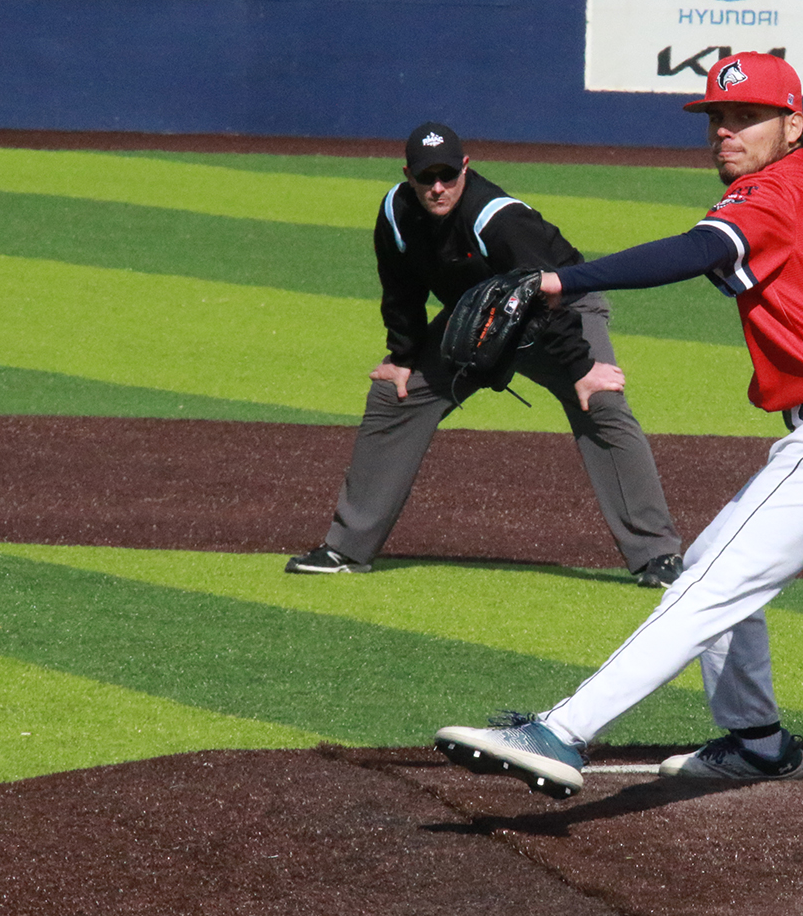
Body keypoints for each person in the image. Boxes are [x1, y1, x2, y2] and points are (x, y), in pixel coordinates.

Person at [433, 53, 803, 798]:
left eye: (747, 118)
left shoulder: (774, 190)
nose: (726, 133)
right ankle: (758, 743)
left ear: (793, 124)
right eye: (718, 118)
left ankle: (560, 732)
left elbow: (700, 250)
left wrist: (564, 279)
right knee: (711, 573)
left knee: (707, 593)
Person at [285, 122, 684, 586]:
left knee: (601, 402)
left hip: (559, 311)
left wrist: (581, 367)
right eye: (426, 177)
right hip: (478, 317)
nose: (437, 187)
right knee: (395, 393)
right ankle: (346, 548)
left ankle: (657, 555)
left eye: (447, 175)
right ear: (407, 175)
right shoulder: (397, 212)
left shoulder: (497, 217)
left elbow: (543, 291)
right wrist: (404, 353)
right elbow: (400, 286)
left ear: (465, 168)